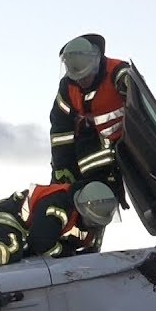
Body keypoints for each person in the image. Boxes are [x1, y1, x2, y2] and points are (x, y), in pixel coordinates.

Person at [49, 33, 132, 208]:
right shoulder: (68, 87)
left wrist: (129, 85)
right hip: (91, 157)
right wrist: (62, 167)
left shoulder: (118, 72)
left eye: (86, 76)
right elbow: (60, 130)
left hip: (129, 148)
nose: (83, 81)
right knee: (75, 199)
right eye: (78, 78)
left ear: (96, 63)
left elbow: (136, 95)